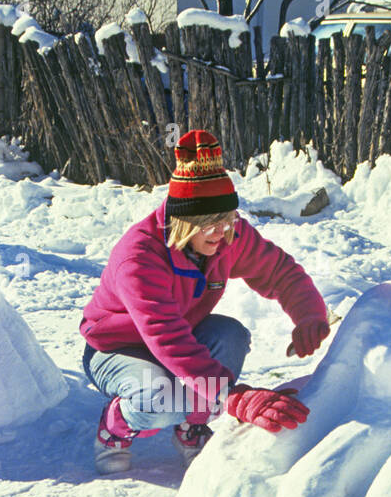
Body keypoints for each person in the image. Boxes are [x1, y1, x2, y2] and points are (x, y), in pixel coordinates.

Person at [80, 130, 331, 473]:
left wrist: (308, 315)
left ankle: (191, 423)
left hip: (182, 334)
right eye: (210, 223)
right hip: (118, 348)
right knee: (160, 399)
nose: (222, 232)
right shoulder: (139, 257)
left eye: (227, 220)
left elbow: (278, 271)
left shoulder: (228, 234)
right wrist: (233, 396)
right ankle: (116, 425)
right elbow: (168, 337)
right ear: (184, 220)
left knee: (231, 336)